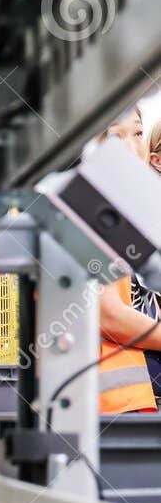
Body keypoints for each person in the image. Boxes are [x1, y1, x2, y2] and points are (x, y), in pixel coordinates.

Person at [96, 114, 161, 412]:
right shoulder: (92, 213)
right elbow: (108, 315)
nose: (133, 150)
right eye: (114, 137)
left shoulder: (131, 212)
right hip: (112, 406)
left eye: (137, 134)